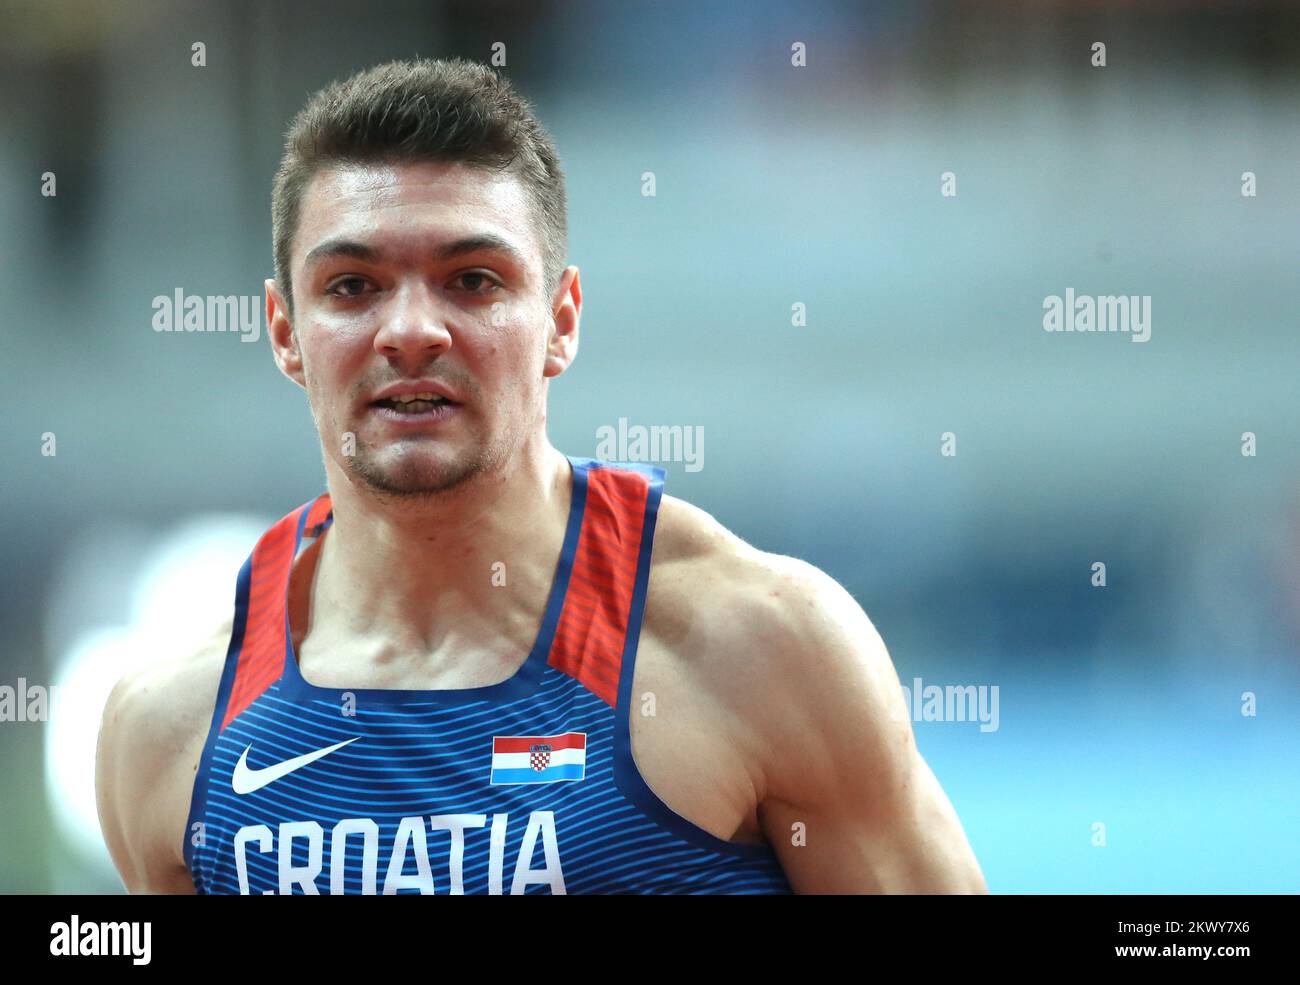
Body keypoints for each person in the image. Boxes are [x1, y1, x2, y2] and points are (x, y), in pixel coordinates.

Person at [95, 57, 987, 894]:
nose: (412, 331)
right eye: (353, 286)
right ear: (285, 332)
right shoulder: (171, 729)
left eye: (473, 279)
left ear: (562, 320)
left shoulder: (761, 651)